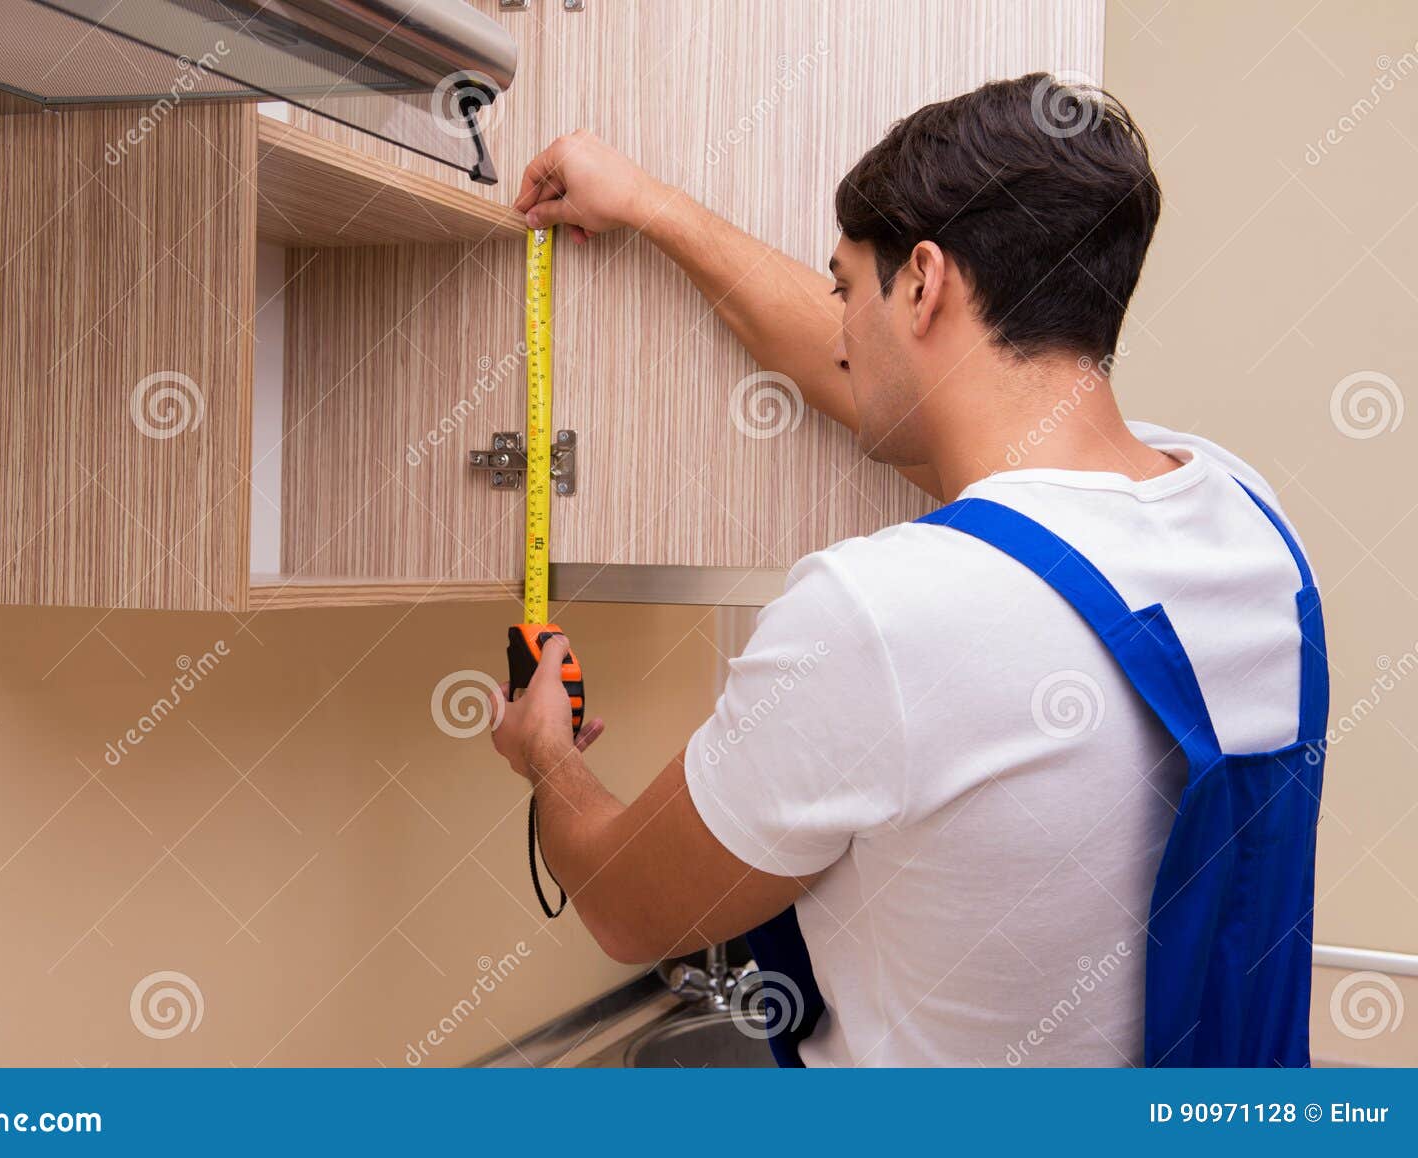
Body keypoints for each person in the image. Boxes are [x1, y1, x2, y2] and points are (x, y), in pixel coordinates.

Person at [486, 74, 1325, 1067]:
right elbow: (885, 381)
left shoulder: (880, 614)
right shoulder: (1244, 513)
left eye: (845, 287)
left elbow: (628, 907)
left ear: (924, 283)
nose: (840, 328)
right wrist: (647, 203)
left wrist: (547, 757)